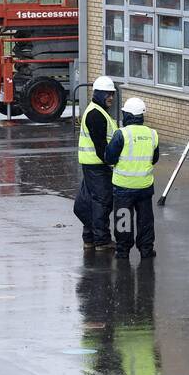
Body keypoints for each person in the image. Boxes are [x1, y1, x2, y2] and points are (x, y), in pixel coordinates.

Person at [105, 97, 159, 261]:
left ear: (127, 115)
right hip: (144, 186)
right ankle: (146, 250)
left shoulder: (121, 134)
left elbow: (110, 158)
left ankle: (122, 251)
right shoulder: (152, 134)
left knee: (123, 219)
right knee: (145, 220)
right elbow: (154, 158)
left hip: (123, 187)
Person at [74, 76, 118, 251]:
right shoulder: (96, 114)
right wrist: (112, 163)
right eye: (108, 94)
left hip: (92, 165)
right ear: (98, 94)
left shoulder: (97, 111)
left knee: (91, 201)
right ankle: (101, 240)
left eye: (112, 94)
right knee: (102, 201)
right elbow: (101, 147)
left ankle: (90, 238)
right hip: (98, 166)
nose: (111, 97)